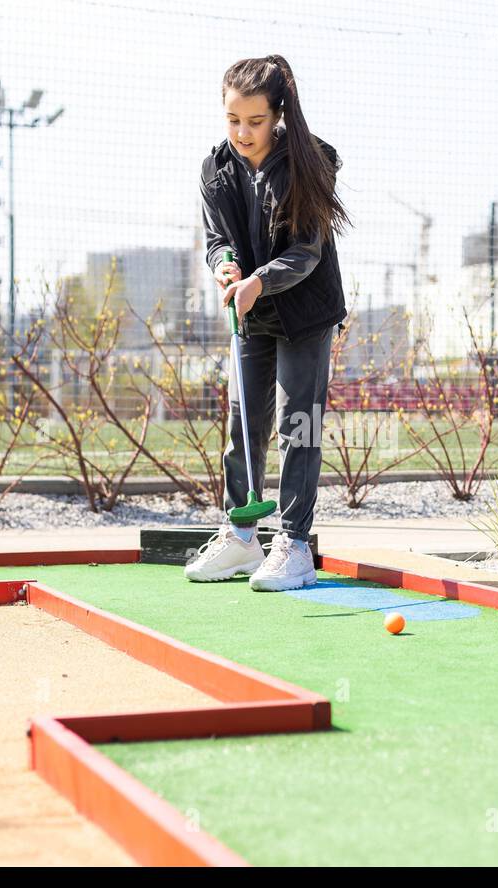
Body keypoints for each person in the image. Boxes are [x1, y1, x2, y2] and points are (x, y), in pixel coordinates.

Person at [184, 54, 351, 591]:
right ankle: (240, 538)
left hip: (303, 313)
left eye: (255, 121)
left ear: (277, 114)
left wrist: (259, 281)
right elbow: (215, 240)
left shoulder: (309, 162)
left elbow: (307, 251)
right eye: (233, 120)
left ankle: (294, 544)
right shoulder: (216, 169)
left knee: (297, 425)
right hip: (249, 314)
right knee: (243, 426)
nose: (242, 132)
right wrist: (224, 264)